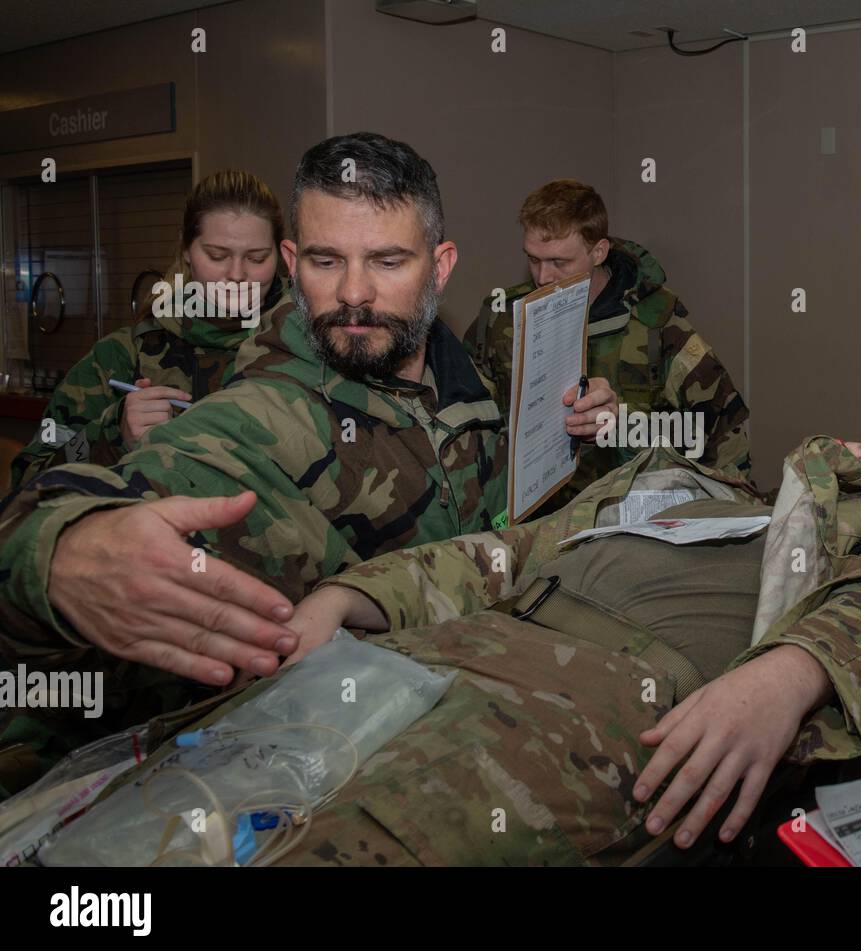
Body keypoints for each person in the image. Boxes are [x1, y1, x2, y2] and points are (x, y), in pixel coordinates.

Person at [0, 133, 617, 797]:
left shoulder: (461, 377)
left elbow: (503, 507)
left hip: (443, 751)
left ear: (440, 268)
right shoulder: (268, 415)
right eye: (326, 261)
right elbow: (65, 519)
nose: (354, 293)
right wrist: (62, 550)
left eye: (386, 261)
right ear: (294, 263)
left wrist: (571, 432)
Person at [84, 435, 861, 864]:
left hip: (597, 693)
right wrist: (348, 595)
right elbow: (500, 554)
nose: (843, 442)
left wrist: (789, 677)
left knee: (350, 845)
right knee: (175, 796)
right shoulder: (668, 486)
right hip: (448, 645)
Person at [463, 179, 751, 509]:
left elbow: (724, 429)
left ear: (598, 251)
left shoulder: (658, 328)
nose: (543, 277)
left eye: (559, 262)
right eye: (533, 259)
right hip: (527, 526)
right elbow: (465, 425)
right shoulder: (502, 320)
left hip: (626, 523)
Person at [8, 170, 288, 491]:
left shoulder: (312, 344)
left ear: (281, 255)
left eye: (256, 257)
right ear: (186, 250)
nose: (237, 275)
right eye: (217, 255)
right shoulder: (121, 357)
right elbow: (29, 482)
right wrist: (113, 433)